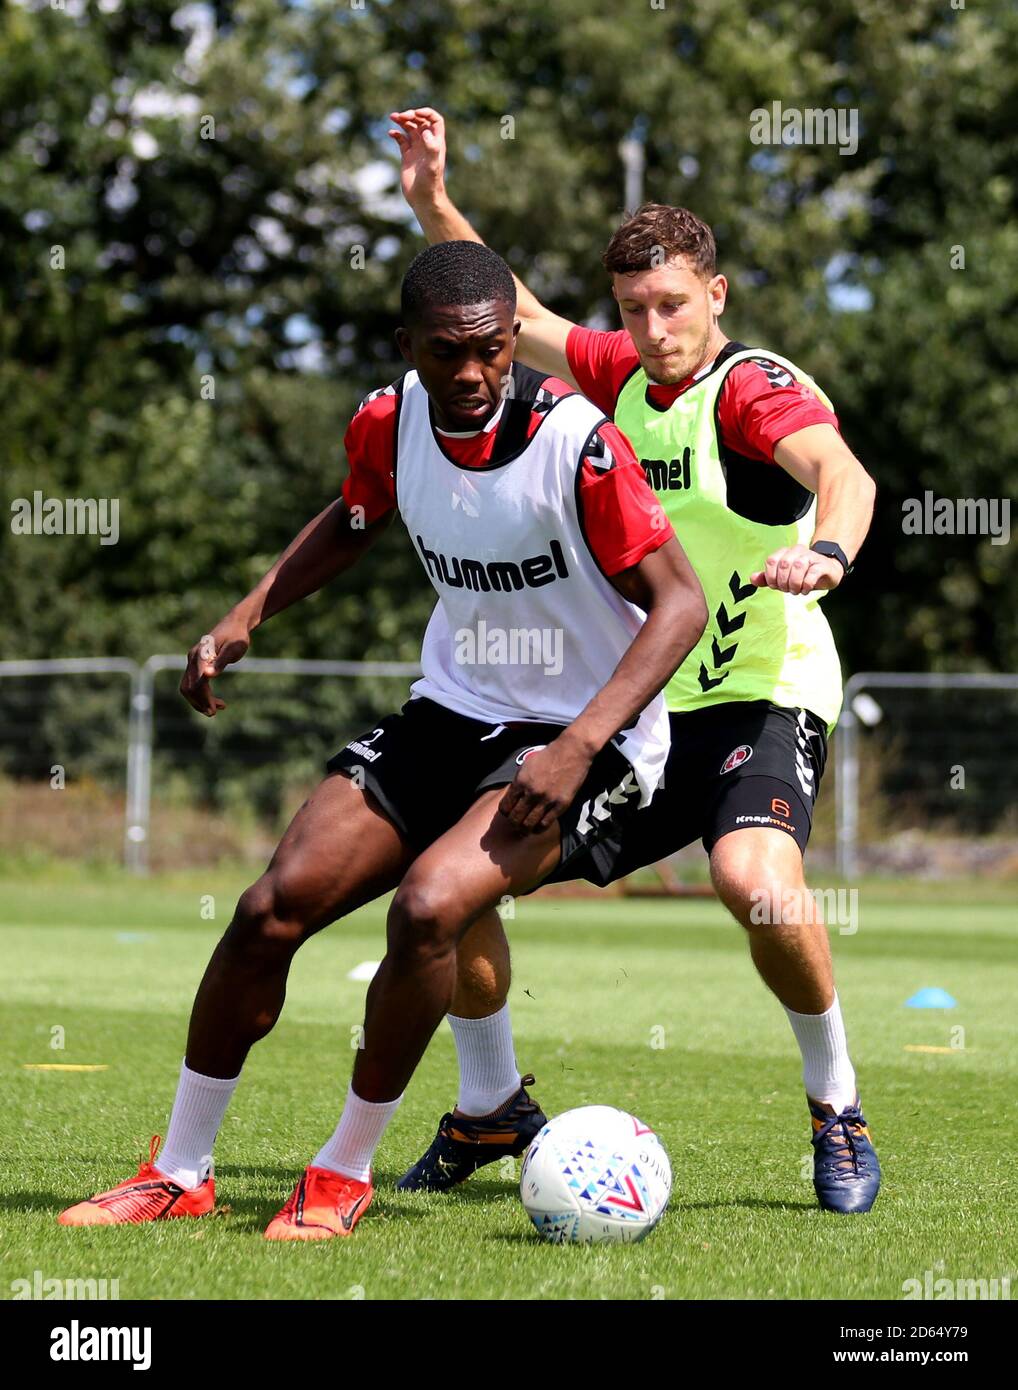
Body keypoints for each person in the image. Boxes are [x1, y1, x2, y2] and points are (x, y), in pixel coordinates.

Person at [57, 239, 707, 1238]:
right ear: (411, 347)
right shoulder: (388, 419)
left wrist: (578, 745)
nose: (473, 373)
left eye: (491, 349)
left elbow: (677, 605)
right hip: (452, 711)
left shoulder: (574, 442)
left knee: (429, 906)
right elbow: (357, 518)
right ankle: (180, 1169)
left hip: (586, 735)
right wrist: (247, 614)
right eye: (447, 353)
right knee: (269, 907)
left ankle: (339, 1172)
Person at [391, 108, 881, 1214]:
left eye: (672, 304)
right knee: (458, 877)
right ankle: (488, 1107)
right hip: (643, 709)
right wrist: (430, 198)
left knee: (752, 881)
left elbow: (841, 474)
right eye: (633, 309)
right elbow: (509, 309)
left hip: (760, 690)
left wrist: (828, 553)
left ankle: (835, 1101)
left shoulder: (752, 391)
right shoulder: (620, 375)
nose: (653, 327)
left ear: (715, 294)